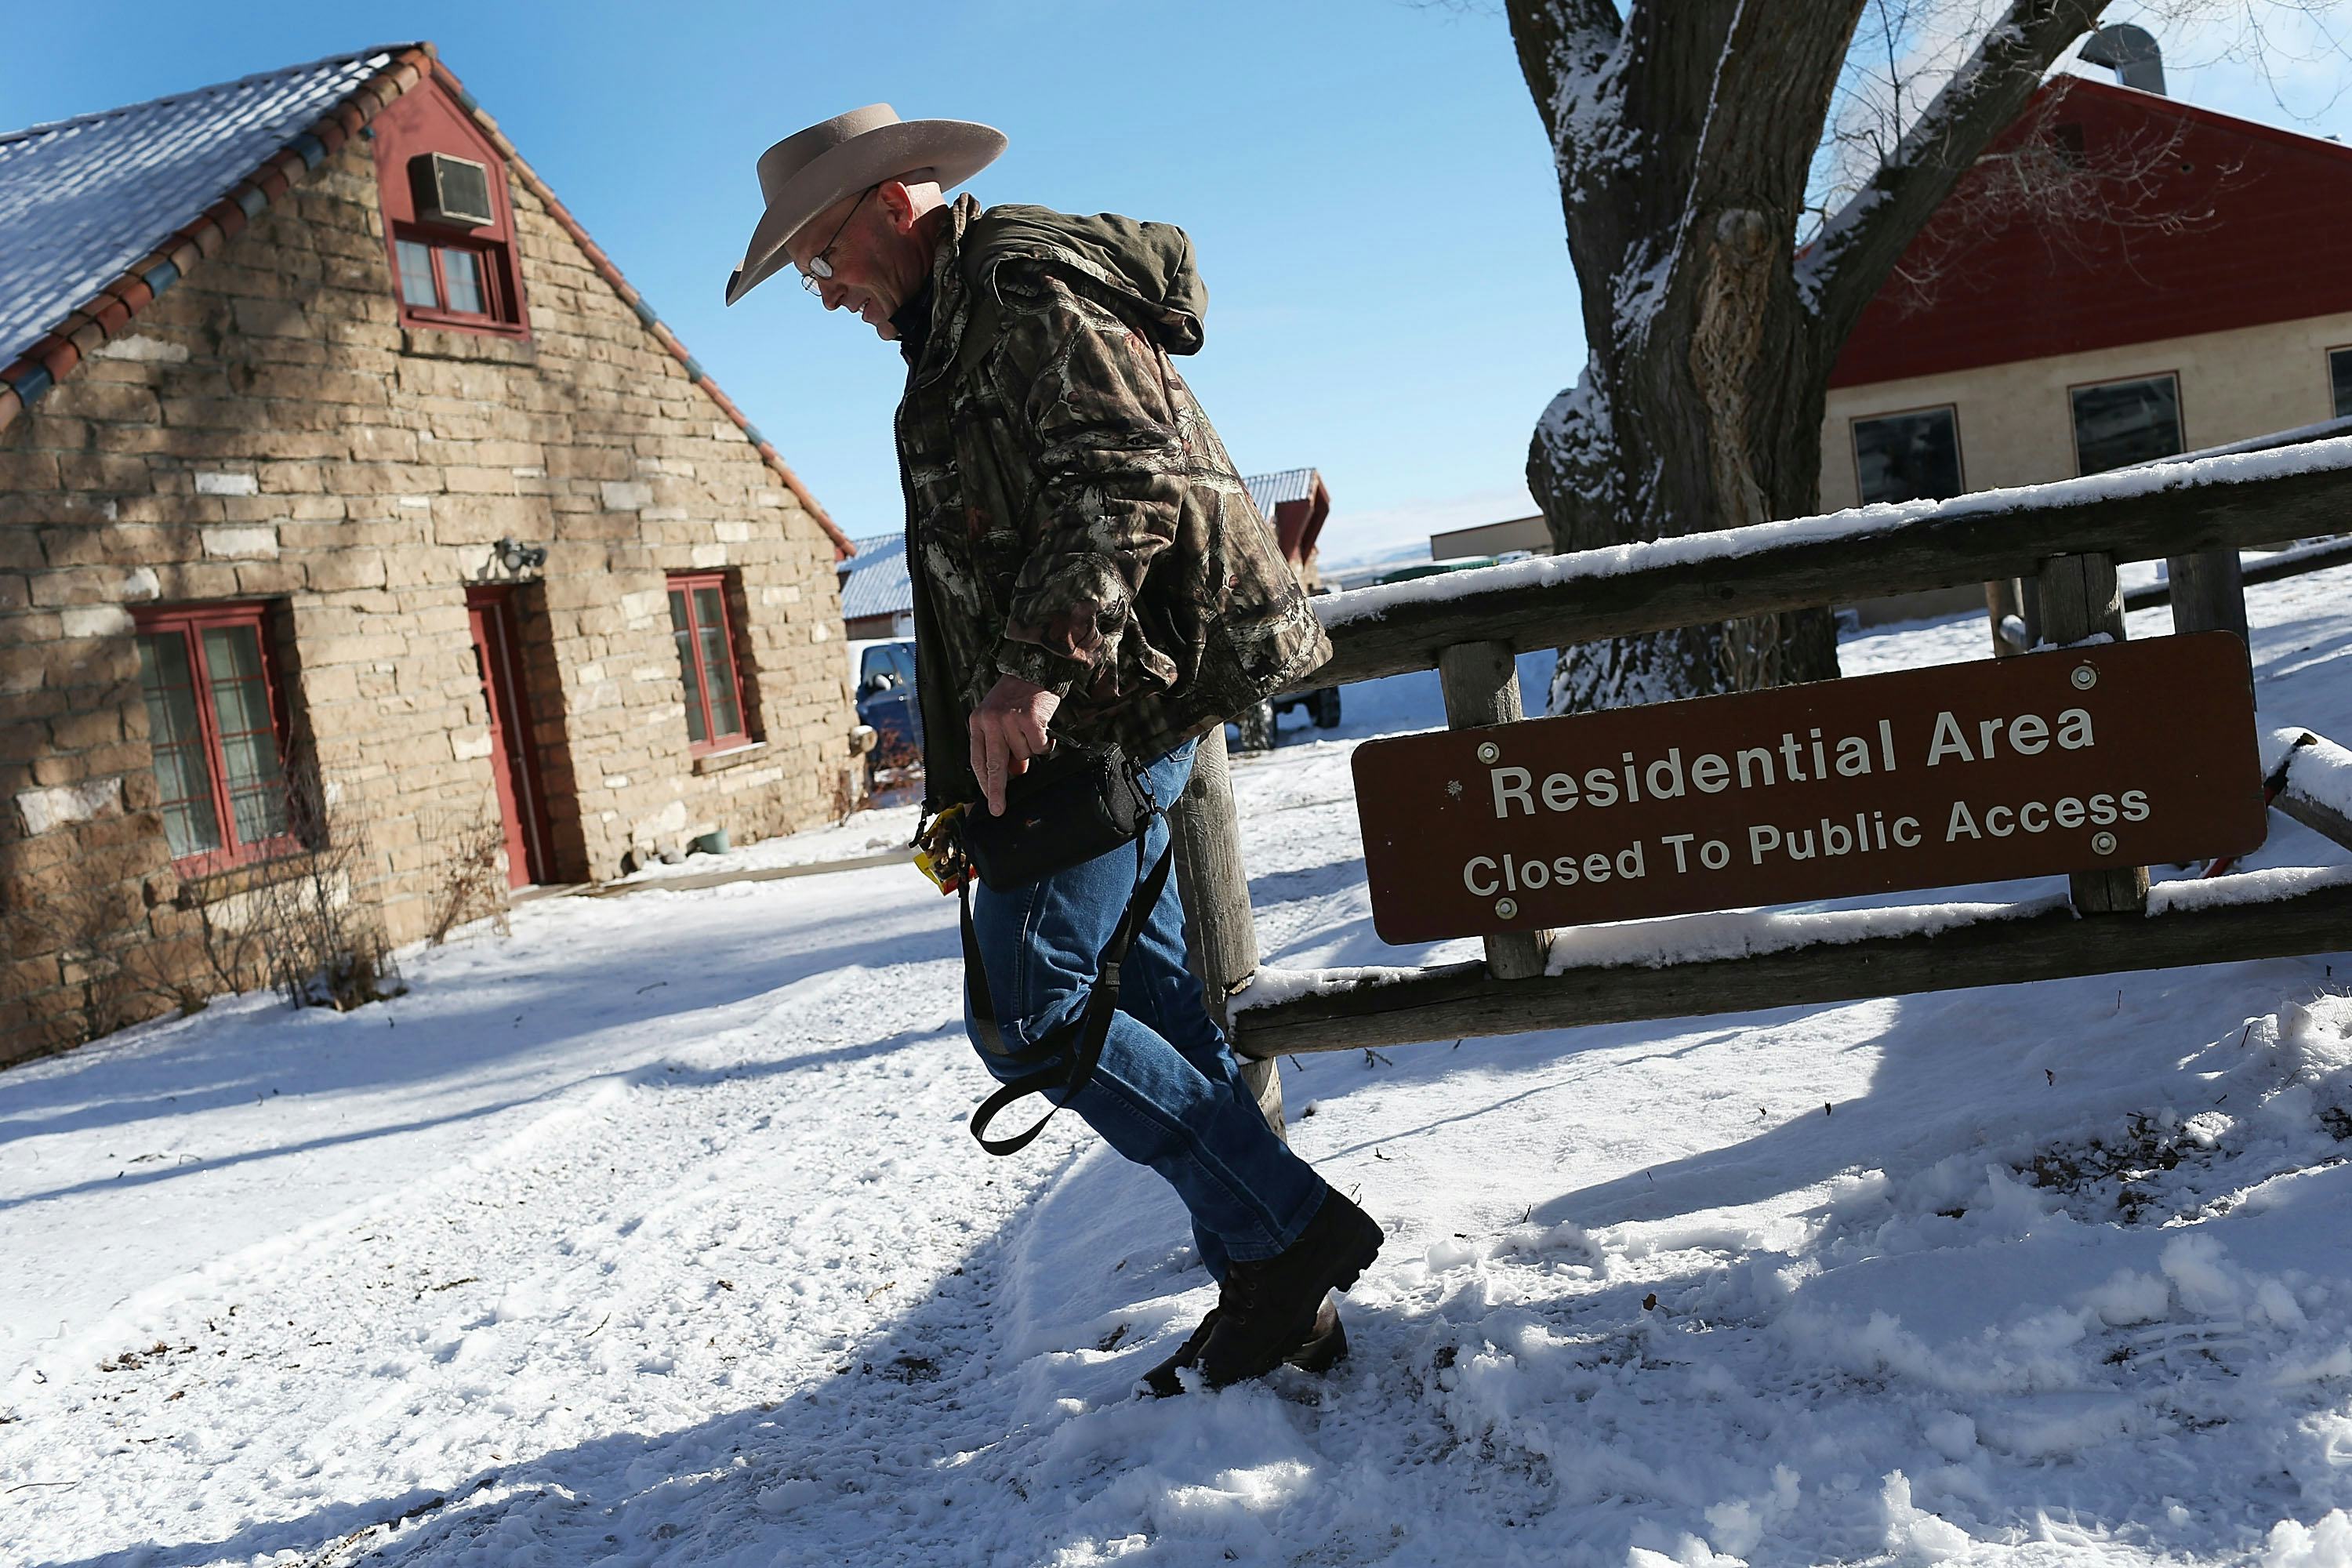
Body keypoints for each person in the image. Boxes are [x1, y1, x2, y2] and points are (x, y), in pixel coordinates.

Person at [724, 106, 1382, 1394]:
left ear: (888, 209)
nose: (825, 294)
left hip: (1109, 705)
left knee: (1028, 1013)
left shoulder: (1020, 289)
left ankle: (1294, 1239)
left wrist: (1030, 670)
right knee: (1139, 1000)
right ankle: (1269, 1288)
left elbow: (1124, 478)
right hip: (1096, 704)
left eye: (821, 259)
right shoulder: (954, 321)